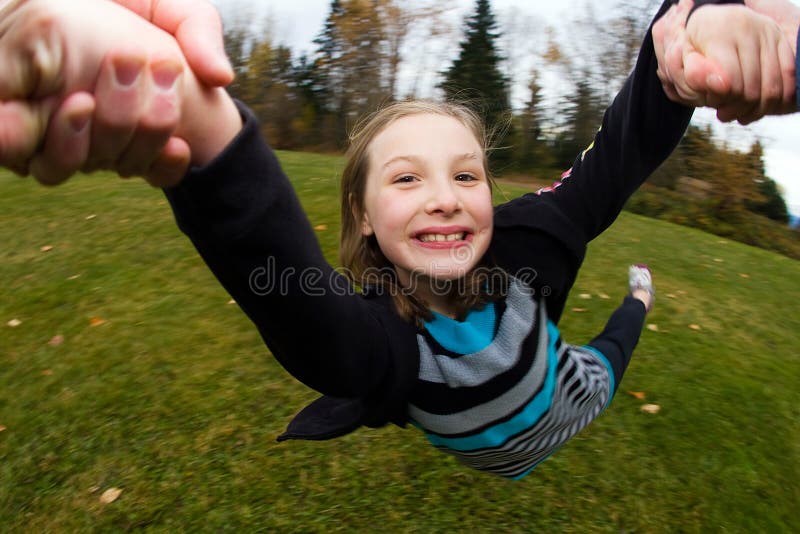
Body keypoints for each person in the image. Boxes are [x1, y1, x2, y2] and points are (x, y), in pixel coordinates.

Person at [0, 0, 794, 479]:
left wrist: (690, 29)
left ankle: (640, 296)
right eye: (407, 178)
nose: (445, 197)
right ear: (364, 217)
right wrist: (189, 115)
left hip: (569, 394)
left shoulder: (524, 250)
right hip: (497, 454)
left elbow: (623, 149)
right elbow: (290, 290)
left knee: (614, 352)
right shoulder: (385, 344)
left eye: (467, 174)